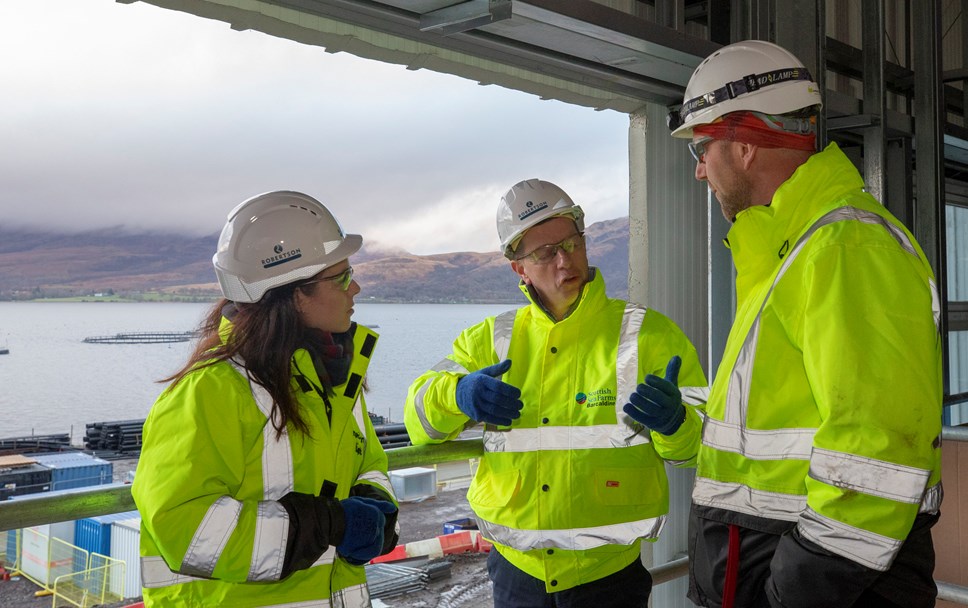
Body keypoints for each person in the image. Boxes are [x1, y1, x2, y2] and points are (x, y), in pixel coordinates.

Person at [636, 39, 942, 607]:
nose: (700, 170)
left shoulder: (845, 247)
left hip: (828, 585)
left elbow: (876, 451)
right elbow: (774, 426)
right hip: (770, 567)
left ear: (745, 144)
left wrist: (792, 591)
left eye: (702, 147)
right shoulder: (787, 251)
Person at [403, 178, 709, 608]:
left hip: (610, 579)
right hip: (516, 575)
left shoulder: (650, 334)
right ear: (519, 268)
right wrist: (457, 395)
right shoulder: (487, 340)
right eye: (545, 253)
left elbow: (699, 448)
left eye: (572, 243)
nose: (565, 261)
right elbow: (418, 421)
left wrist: (675, 423)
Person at [132, 191, 399, 607]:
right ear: (292, 293)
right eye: (342, 277)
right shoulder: (211, 391)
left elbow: (371, 464)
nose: (357, 288)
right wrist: (328, 524)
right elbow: (185, 529)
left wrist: (376, 504)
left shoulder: (334, 381)